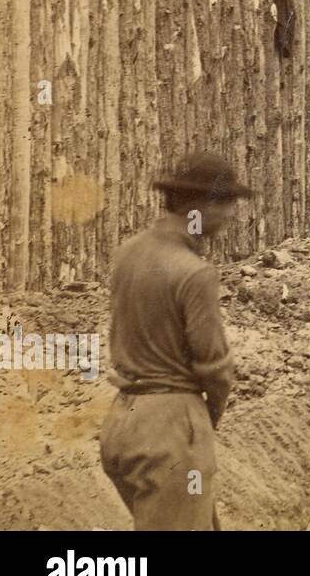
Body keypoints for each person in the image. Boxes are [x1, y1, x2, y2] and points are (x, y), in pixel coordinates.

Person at [100, 152, 252, 530]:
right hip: (171, 431)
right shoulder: (195, 274)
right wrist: (203, 419)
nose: (232, 214)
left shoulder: (127, 254)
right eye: (226, 203)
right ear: (198, 206)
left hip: (122, 422)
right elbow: (216, 370)